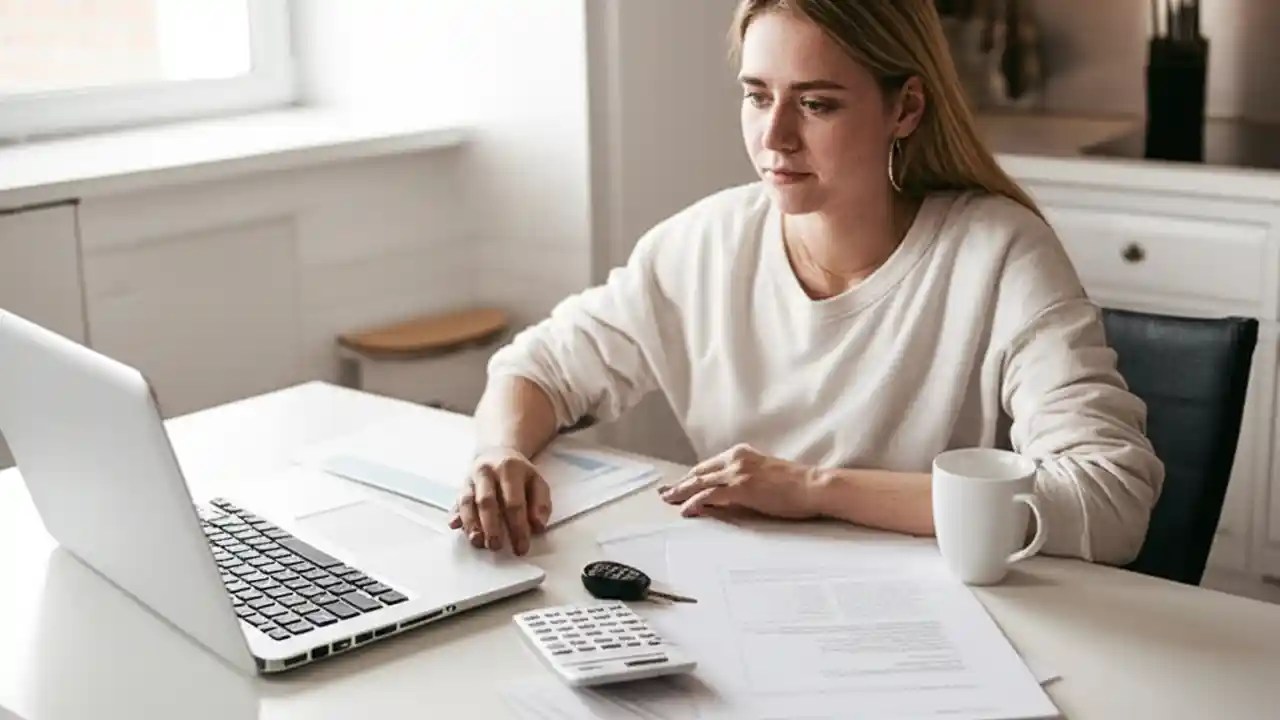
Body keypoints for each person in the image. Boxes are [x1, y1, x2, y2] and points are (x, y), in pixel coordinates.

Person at [448, 0, 1163, 563]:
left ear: (906, 108)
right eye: (758, 97)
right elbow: (538, 367)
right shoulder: (703, 243)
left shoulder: (998, 253)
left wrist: (815, 490)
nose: (775, 136)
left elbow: (1112, 500)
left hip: (931, 633)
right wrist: (498, 452)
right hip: (739, 607)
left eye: (817, 104)